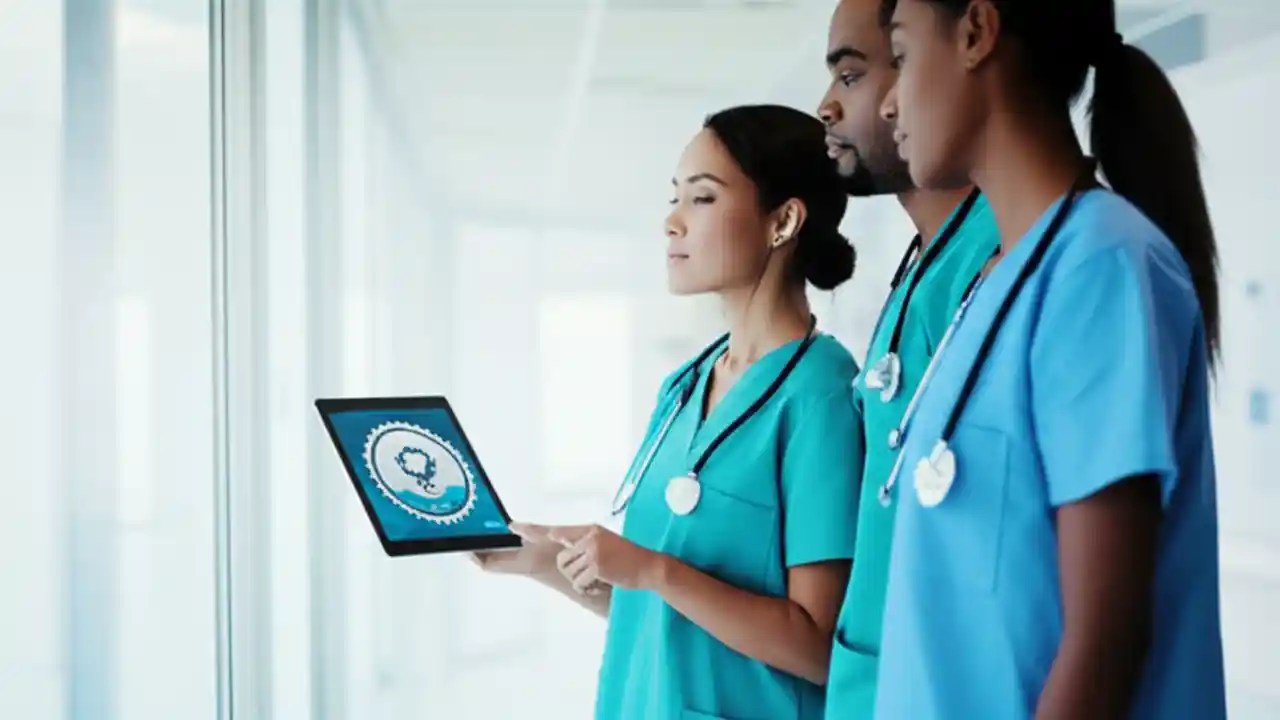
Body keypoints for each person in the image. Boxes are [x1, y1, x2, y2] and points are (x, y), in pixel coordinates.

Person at [872, 0, 1226, 717]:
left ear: (976, 32)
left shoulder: (1101, 264)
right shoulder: (998, 278)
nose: (888, 101)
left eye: (902, 56)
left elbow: (1105, 639)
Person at [474, 104, 865, 719]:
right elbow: (658, 610)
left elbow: (820, 647)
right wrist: (542, 561)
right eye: (674, 197)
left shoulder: (821, 395)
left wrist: (654, 569)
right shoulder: (685, 385)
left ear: (783, 221)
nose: (671, 222)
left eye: (702, 199)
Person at [816, 1, 1000, 716]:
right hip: (880, 681)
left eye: (853, 74)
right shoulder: (920, 269)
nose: (827, 108)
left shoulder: (1003, 259)